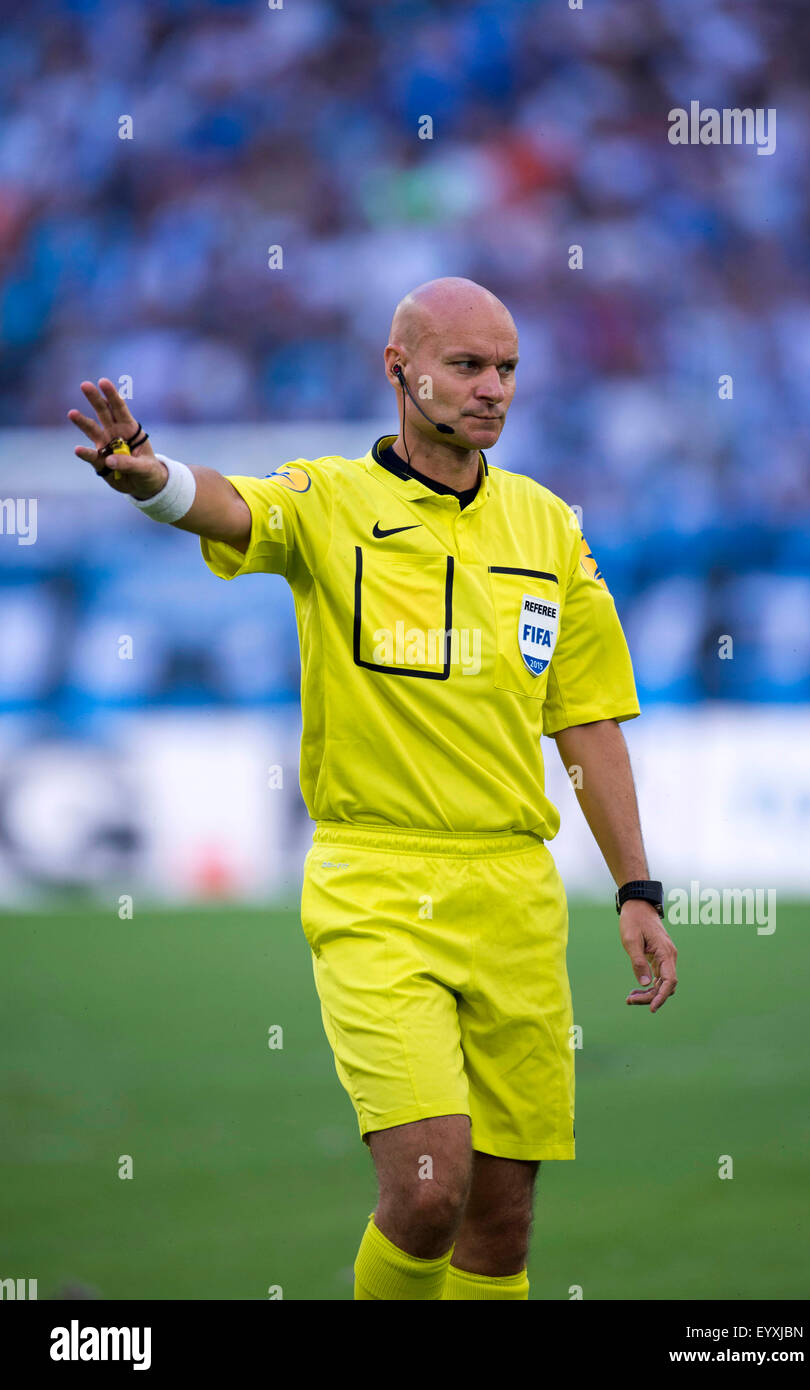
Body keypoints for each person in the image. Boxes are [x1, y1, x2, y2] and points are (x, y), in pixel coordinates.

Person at [68, 276, 677, 1301]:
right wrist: (148, 477)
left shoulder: (547, 527)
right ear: (400, 370)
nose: (492, 389)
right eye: (467, 366)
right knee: (428, 1187)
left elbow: (584, 718)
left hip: (514, 892)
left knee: (501, 1216)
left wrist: (636, 887)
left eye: (507, 368)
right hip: (377, 884)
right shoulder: (328, 500)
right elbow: (229, 504)